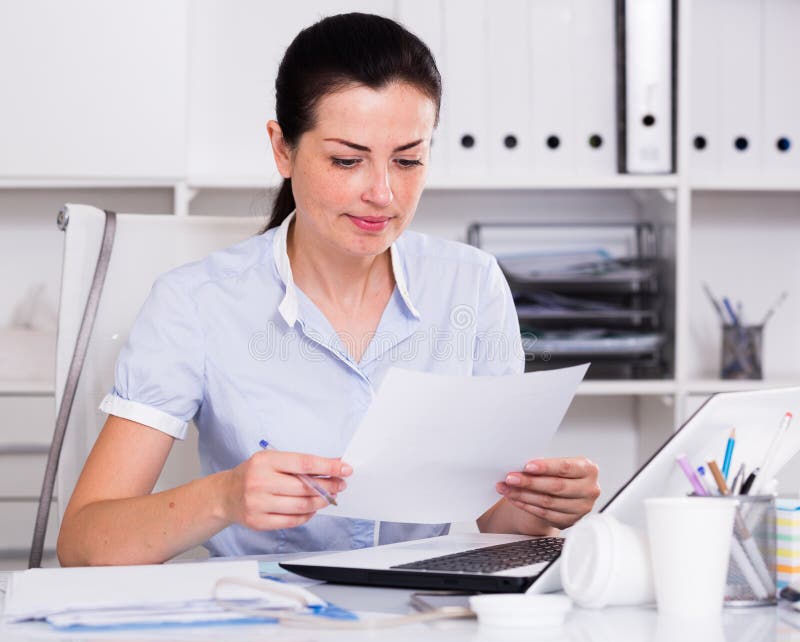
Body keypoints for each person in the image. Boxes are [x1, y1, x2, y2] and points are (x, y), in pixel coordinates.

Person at [57, 12, 600, 566]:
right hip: (260, 631)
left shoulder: (471, 285)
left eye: (409, 160)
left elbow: (495, 519)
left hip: (418, 623)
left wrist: (543, 505)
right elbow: (82, 545)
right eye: (347, 160)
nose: (383, 194)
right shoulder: (195, 303)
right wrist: (222, 498)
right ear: (282, 149)